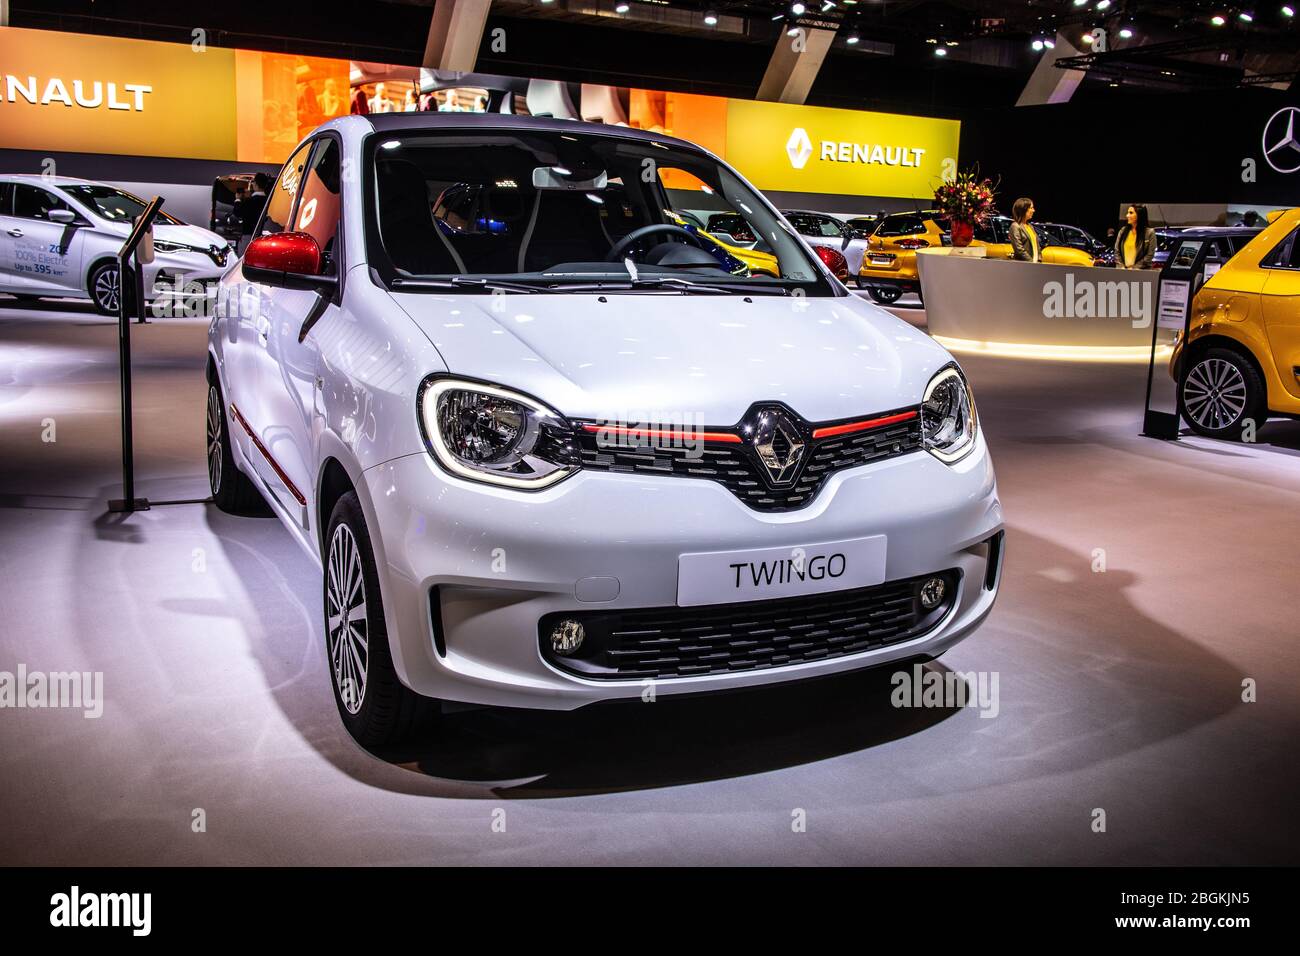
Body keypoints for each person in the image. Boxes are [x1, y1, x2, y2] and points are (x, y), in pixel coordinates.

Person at [1115, 203, 1156, 269]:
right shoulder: (1123, 231)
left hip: (1141, 272)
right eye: (1127, 212)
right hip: (1122, 271)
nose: (1127, 215)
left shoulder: (1150, 233)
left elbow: (1149, 255)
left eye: (1131, 213)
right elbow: (1117, 251)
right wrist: (1121, 267)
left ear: (1139, 215)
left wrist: (1134, 268)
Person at [1009, 197, 1039, 262]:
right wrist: (1031, 262)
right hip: (1024, 266)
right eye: (1031, 208)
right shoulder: (1015, 226)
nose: (1033, 210)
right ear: (1023, 209)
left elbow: (1037, 246)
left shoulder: (1030, 226)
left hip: (1035, 265)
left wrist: (1039, 260)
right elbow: (1019, 249)